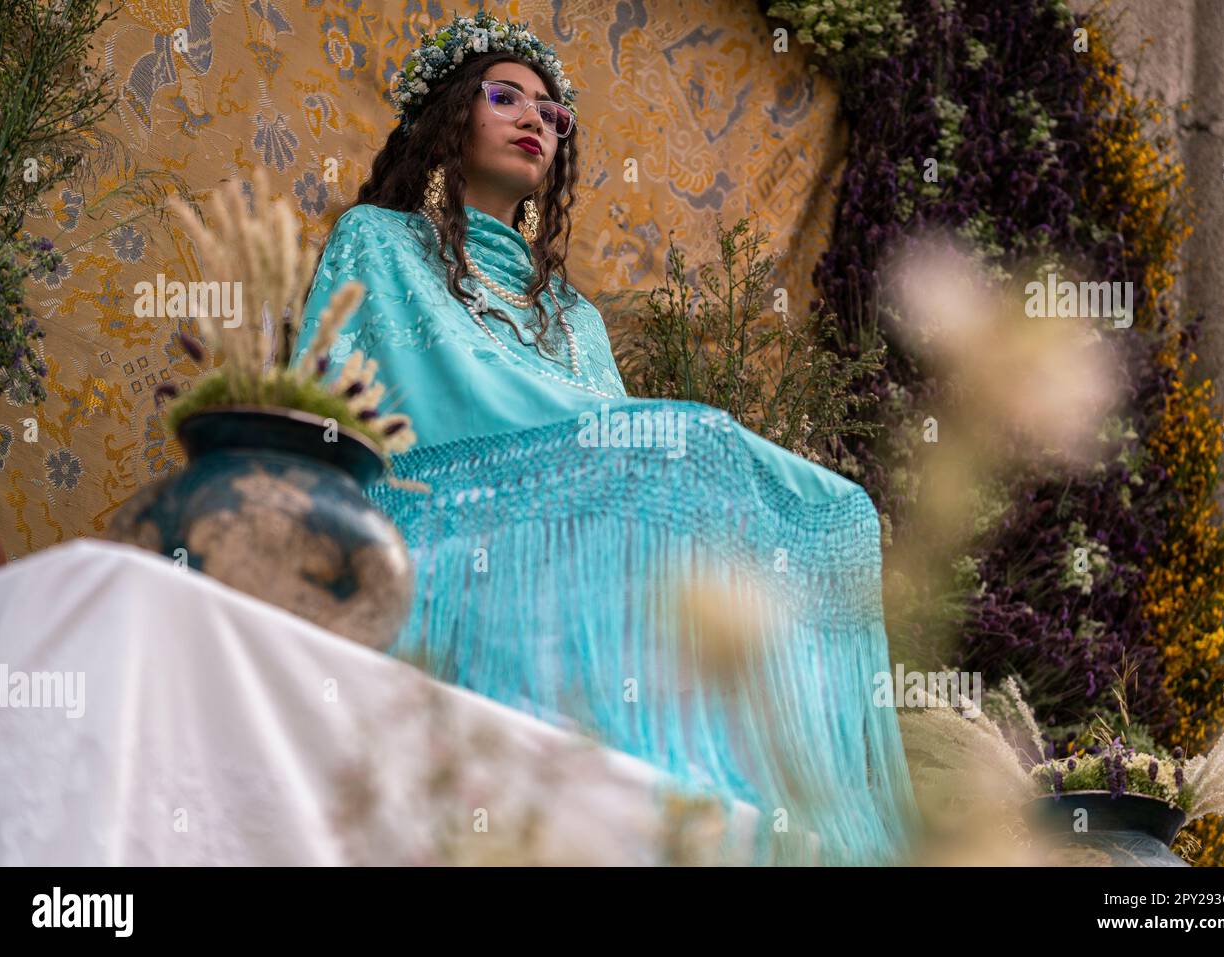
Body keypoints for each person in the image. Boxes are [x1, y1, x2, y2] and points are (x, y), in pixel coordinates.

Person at [290, 11, 914, 865]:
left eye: (552, 114)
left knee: (841, 508)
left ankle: (759, 785)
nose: (535, 121)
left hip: (569, 535)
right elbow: (341, 401)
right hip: (435, 519)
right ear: (447, 114)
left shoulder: (571, 313)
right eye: (506, 98)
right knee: (685, 442)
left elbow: (612, 452)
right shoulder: (379, 241)